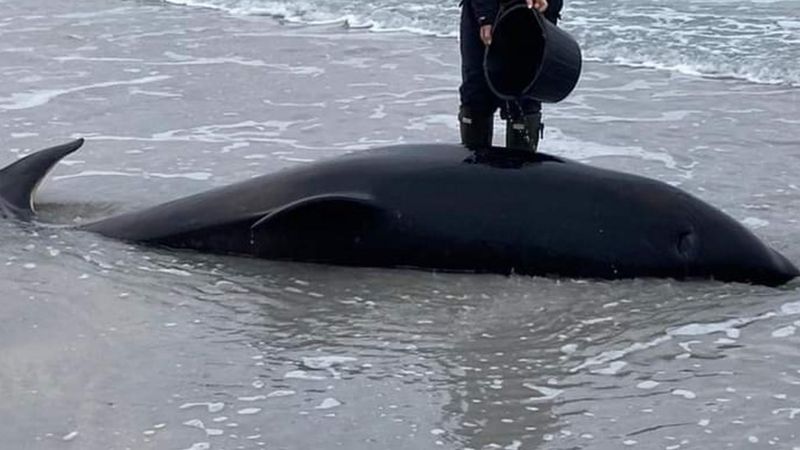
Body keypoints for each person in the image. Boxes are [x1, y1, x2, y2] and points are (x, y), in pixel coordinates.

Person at [459, 0, 564, 151]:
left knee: (525, 94)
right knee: (477, 94)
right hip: (484, 9)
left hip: (534, 11)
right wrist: (485, 16)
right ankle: (472, 165)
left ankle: (523, 169)